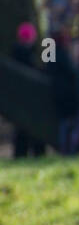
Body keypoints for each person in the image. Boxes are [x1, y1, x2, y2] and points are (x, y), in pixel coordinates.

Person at [10, 23, 47, 158]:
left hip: (18, 101)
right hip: (31, 101)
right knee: (34, 130)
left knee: (21, 131)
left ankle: (20, 155)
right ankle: (38, 154)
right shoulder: (29, 57)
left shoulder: (14, 56)